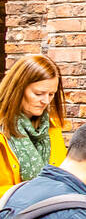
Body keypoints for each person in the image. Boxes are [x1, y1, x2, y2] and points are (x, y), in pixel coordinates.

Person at [0, 54, 69, 197]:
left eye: (51, 94)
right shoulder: (3, 131)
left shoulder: (52, 128)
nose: (46, 101)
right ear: (18, 89)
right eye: (39, 93)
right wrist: (29, 193)